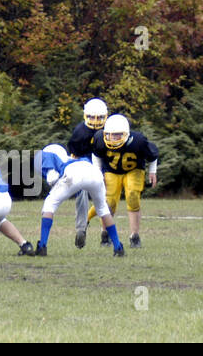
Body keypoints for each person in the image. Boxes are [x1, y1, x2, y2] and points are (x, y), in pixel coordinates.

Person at [35, 144, 124, 256]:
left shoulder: (47, 154)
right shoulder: (72, 159)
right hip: (94, 173)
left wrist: (55, 184)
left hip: (73, 174)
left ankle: (42, 246)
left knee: (49, 205)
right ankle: (118, 247)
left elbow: (52, 177)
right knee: (102, 209)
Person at [90, 113, 160, 248]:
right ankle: (105, 234)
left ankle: (134, 236)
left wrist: (152, 171)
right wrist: (97, 172)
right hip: (111, 170)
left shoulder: (138, 141)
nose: (112, 138)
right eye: (109, 134)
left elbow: (152, 155)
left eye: (117, 135)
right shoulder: (100, 138)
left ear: (126, 134)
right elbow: (96, 155)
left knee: (133, 197)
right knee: (108, 202)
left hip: (133, 170)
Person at [68, 98, 106, 248]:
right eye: (92, 117)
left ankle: (105, 233)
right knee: (82, 192)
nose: (96, 121)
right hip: (85, 163)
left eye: (99, 117)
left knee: (107, 198)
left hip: (104, 165)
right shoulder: (80, 132)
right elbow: (75, 156)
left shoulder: (110, 130)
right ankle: (81, 228)